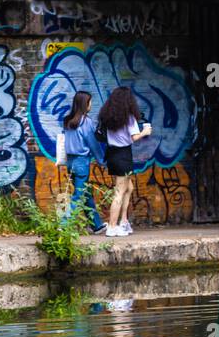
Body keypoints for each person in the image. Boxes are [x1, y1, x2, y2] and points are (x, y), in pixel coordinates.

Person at [98, 86, 153, 237]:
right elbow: (134, 138)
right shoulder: (129, 118)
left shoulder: (108, 117)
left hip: (112, 155)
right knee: (119, 192)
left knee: (129, 188)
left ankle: (123, 222)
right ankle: (112, 226)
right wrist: (145, 132)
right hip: (123, 155)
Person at [56, 90, 105, 234]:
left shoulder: (68, 121)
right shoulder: (86, 122)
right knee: (78, 195)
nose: (91, 104)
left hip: (70, 163)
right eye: (90, 102)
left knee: (85, 193)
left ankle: (96, 225)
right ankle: (64, 224)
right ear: (85, 104)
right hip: (81, 162)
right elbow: (93, 143)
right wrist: (102, 160)